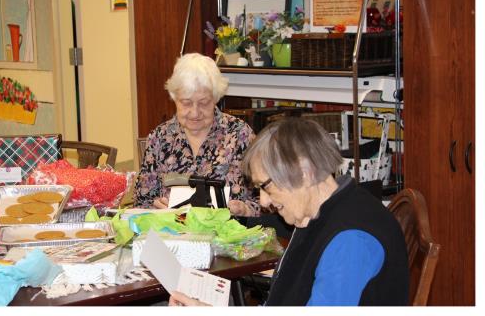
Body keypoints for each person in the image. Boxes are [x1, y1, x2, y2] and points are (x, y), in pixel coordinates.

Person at [170, 118, 409, 306]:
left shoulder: (351, 240)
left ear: (304, 172)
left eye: (266, 186)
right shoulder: (317, 214)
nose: (263, 201)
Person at [135, 54, 258, 216]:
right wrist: (155, 207)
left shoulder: (240, 135)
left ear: (215, 98)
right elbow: (141, 202)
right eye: (186, 103)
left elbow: (265, 201)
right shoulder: (159, 137)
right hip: (173, 235)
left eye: (203, 103)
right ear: (174, 98)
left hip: (226, 236)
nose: (194, 113)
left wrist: (245, 210)